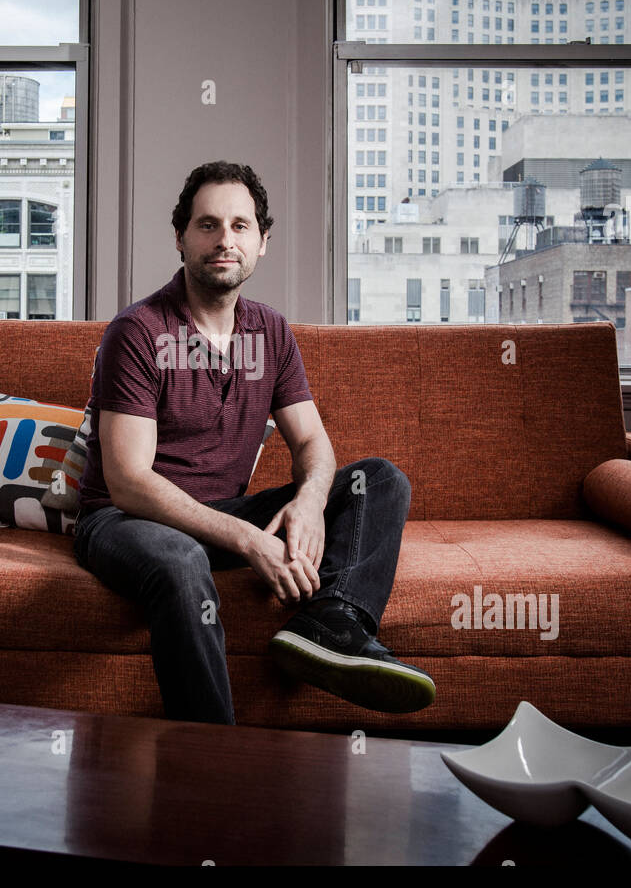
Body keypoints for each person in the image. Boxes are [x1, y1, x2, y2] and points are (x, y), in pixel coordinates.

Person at [72, 160, 436, 726]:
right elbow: (128, 480)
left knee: (378, 479)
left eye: (241, 226)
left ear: (263, 242)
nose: (224, 240)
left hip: (220, 513)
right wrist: (248, 540)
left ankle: (331, 626)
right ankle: (216, 758)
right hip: (124, 523)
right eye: (208, 225)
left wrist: (311, 500)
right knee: (180, 559)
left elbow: (311, 438)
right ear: (181, 237)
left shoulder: (270, 331)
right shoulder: (138, 331)